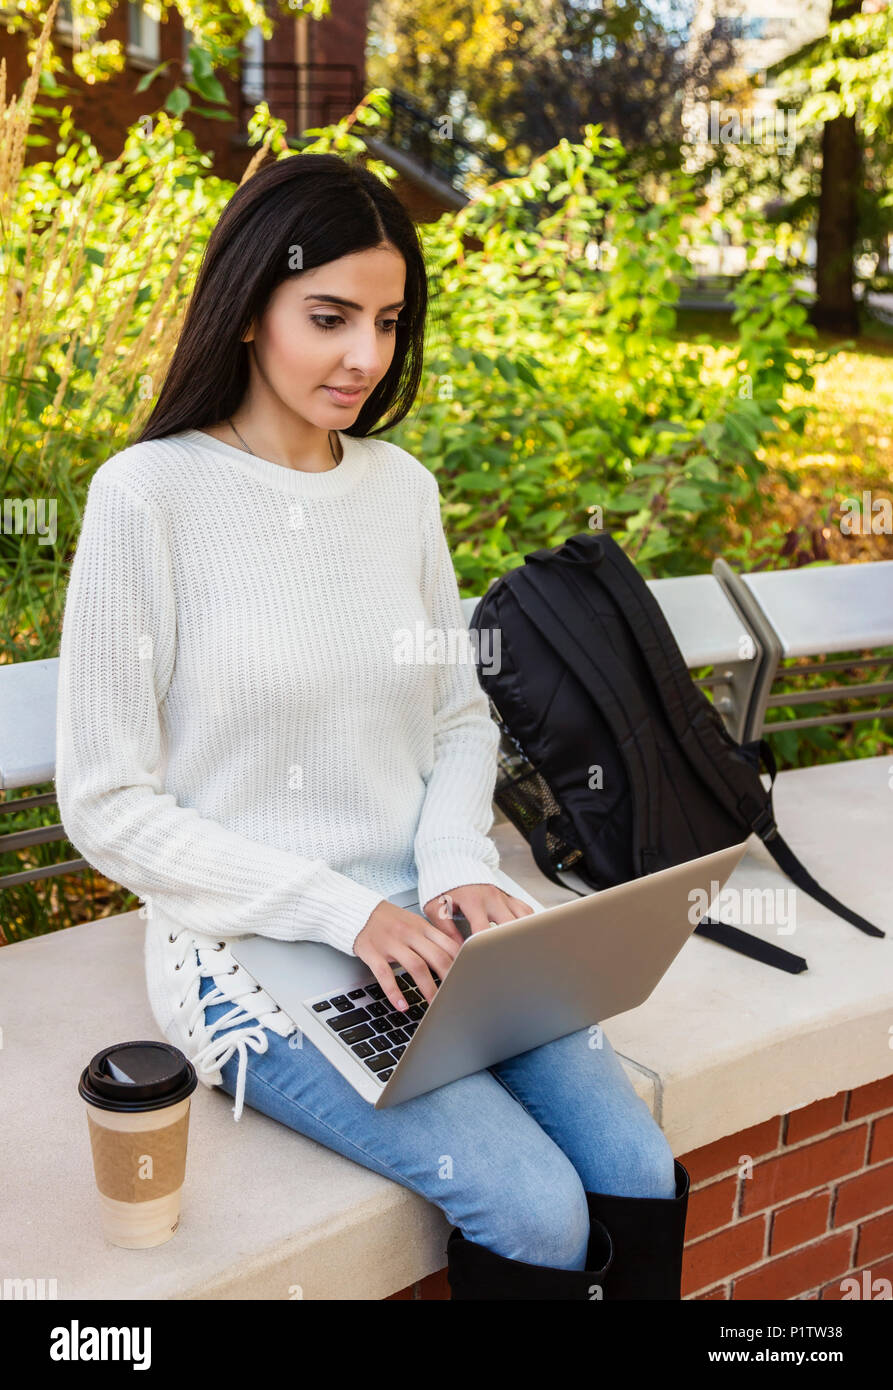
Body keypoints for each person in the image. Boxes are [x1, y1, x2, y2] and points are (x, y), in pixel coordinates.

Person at [55, 152, 689, 1300]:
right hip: (249, 951)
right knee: (533, 1203)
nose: (364, 357)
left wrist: (450, 866)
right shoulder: (147, 498)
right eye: (329, 317)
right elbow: (105, 801)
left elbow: (456, 717)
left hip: (433, 933)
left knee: (637, 1162)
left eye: (388, 322)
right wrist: (343, 908)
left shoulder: (398, 489)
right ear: (250, 307)